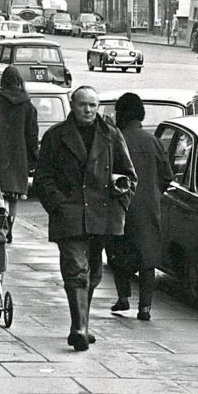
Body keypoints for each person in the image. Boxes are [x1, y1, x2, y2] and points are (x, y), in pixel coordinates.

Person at [33, 86, 136, 351]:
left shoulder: (111, 136)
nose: (88, 110)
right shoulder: (56, 136)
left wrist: (119, 207)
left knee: (93, 271)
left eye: (92, 105)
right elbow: (43, 177)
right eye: (82, 105)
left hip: (101, 216)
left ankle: (83, 325)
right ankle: (78, 327)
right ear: (72, 105)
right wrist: (58, 205)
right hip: (69, 215)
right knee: (75, 268)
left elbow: (128, 177)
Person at [107, 92, 173, 321]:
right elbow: (167, 175)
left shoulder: (115, 138)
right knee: (148, 259)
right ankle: (145, 307)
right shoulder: (153, 141)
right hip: (149, 207)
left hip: (121, 205)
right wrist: (154, 193)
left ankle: (123, 296)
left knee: (117, 252)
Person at [0, 65, 38, 243]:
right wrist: (32, 160)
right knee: (13, 198)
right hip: (19, 156)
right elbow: (32, 135)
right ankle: (10, 227)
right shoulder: (28, 106)